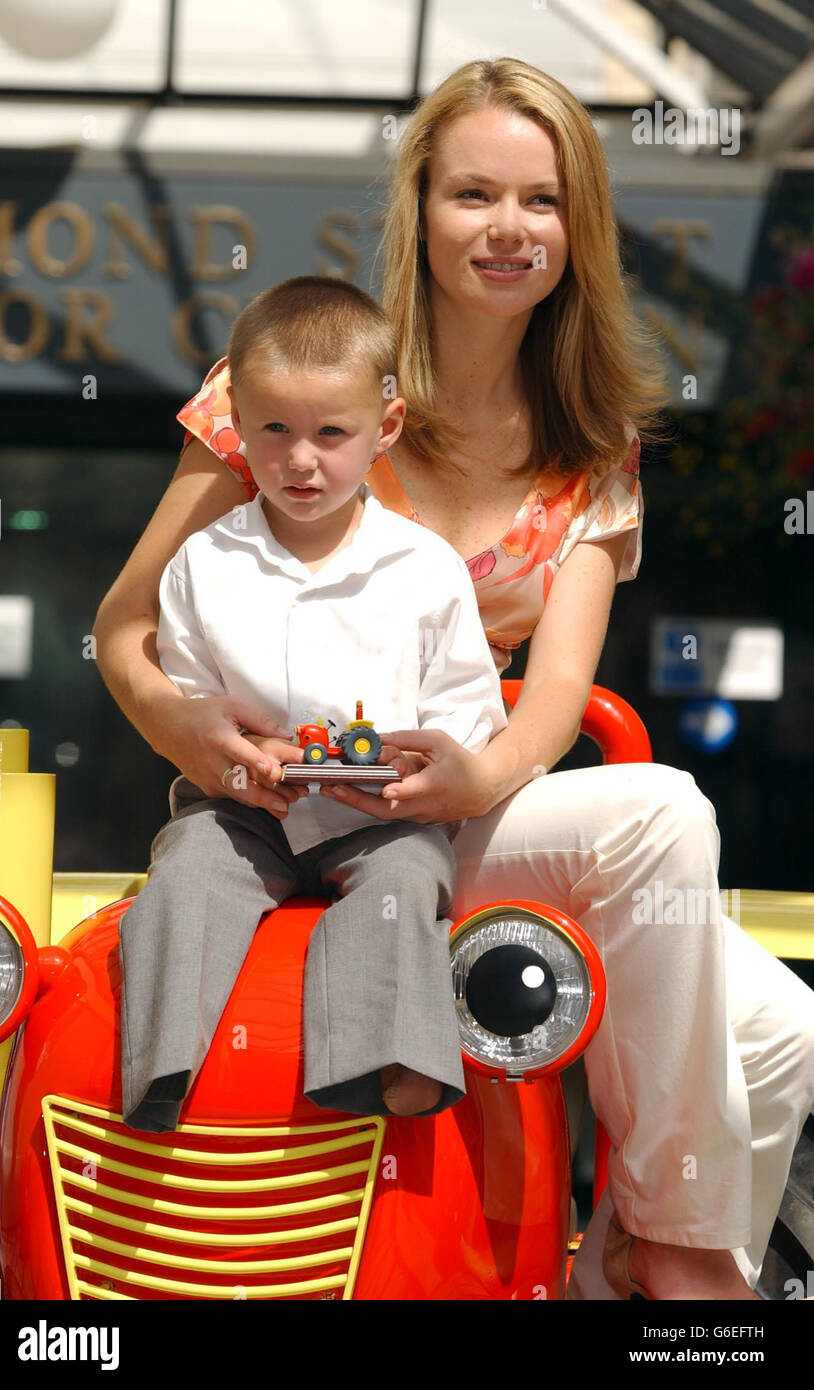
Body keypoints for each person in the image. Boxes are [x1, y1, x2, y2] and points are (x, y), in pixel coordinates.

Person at [94, 58, 814, 1299]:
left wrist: (473, 772)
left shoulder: (592, 447)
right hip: (268, 807)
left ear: (578, 228)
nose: (508, 228)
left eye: (541, 201)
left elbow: (550, 710)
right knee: (674, 835)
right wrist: (183, 721)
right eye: (474, 192)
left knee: (783, 1026)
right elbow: (121, 629)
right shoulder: (297, 387)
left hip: (458, 808)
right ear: (420, 208)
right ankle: (681, 1270)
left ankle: (628, 1262)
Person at [119, 276, 508, 1134]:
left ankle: (382, 1062)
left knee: (406, 881)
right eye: (275, 431)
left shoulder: (424, 566)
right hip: (242, 808)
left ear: (385, 429)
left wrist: (423, 763)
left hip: (381, 813)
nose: (301, 460)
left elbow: (469, 710)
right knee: (183, 872)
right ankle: (162, 1063)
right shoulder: (201, 563)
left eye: (332, 434)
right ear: (239, 428)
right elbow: (189, 701)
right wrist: (227, 755)